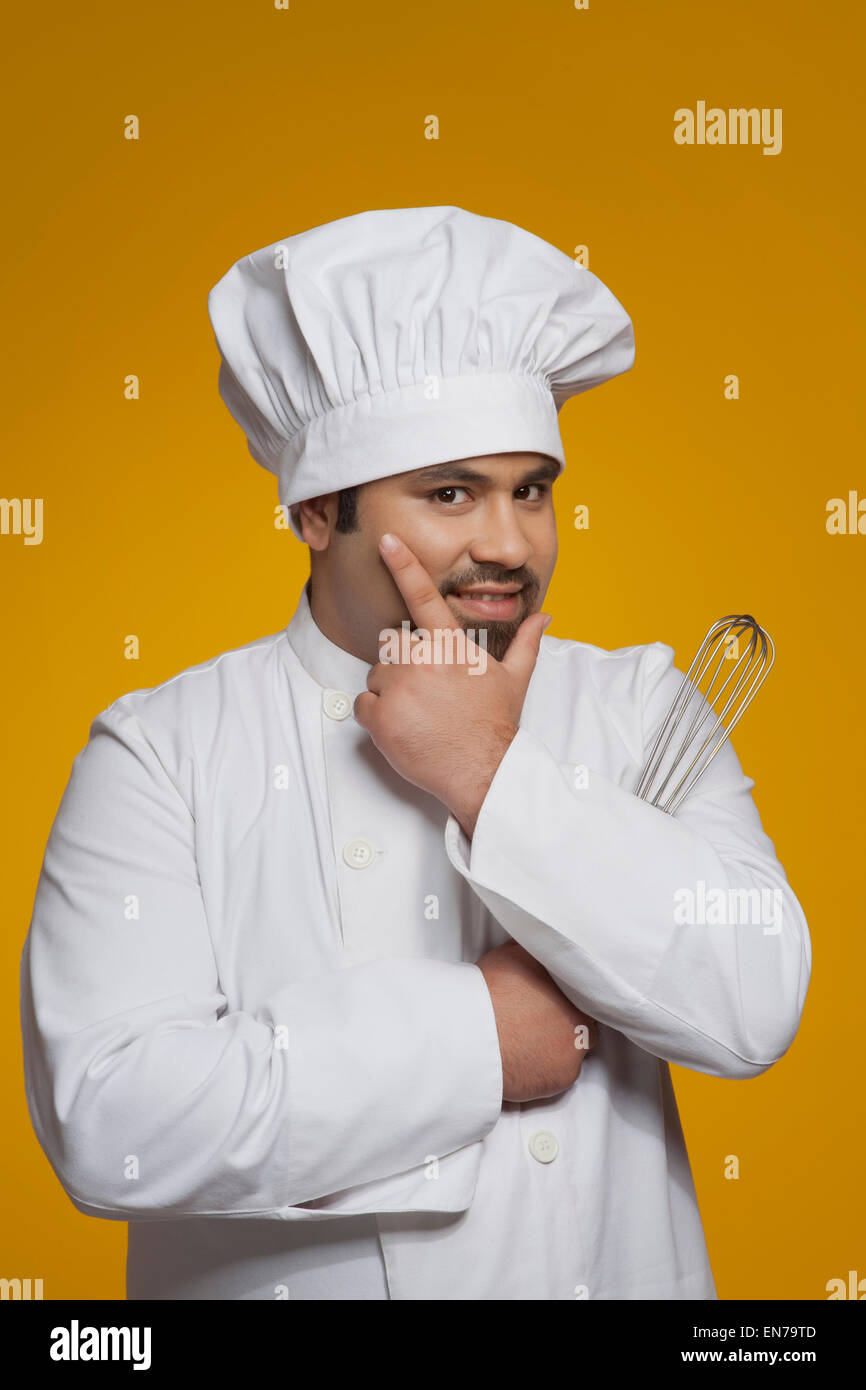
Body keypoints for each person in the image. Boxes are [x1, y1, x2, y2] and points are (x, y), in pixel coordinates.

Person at [20, 205, 811, 1300]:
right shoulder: (162, 750)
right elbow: (113, 1119)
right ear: (314, 511)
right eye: (450, 492)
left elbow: (753, 998)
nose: (507, 542)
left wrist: (491, 773)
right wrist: (477, 1038)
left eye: (531, 489)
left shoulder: (636, 703)